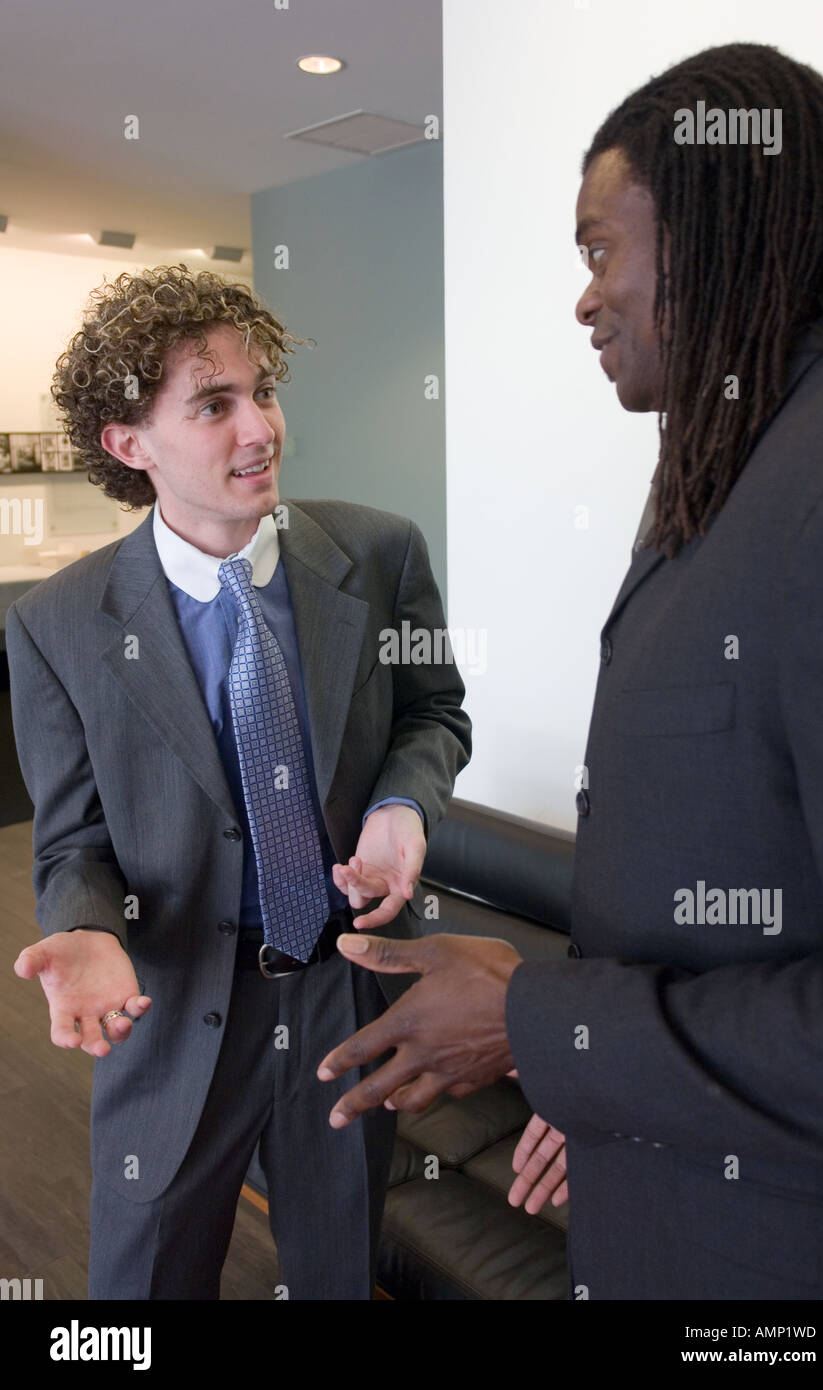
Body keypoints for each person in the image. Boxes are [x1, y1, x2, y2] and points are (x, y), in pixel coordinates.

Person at [317, 43, 823, 1300]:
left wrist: (539, 1025)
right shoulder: (730, 474)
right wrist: (592, 1075)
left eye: (597, 250)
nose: (584, 298)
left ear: (721, 228)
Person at [7, 264, 471, 1299]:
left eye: (262, 391)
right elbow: (73, 840)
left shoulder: (378, 552)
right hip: (170, 1012)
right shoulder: (58, 624)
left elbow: (432, 713)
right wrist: (85, 926)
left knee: (337, 1271)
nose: (259, 428)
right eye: (212, 405)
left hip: (339, 991)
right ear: (131, 445)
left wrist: (401, 804)